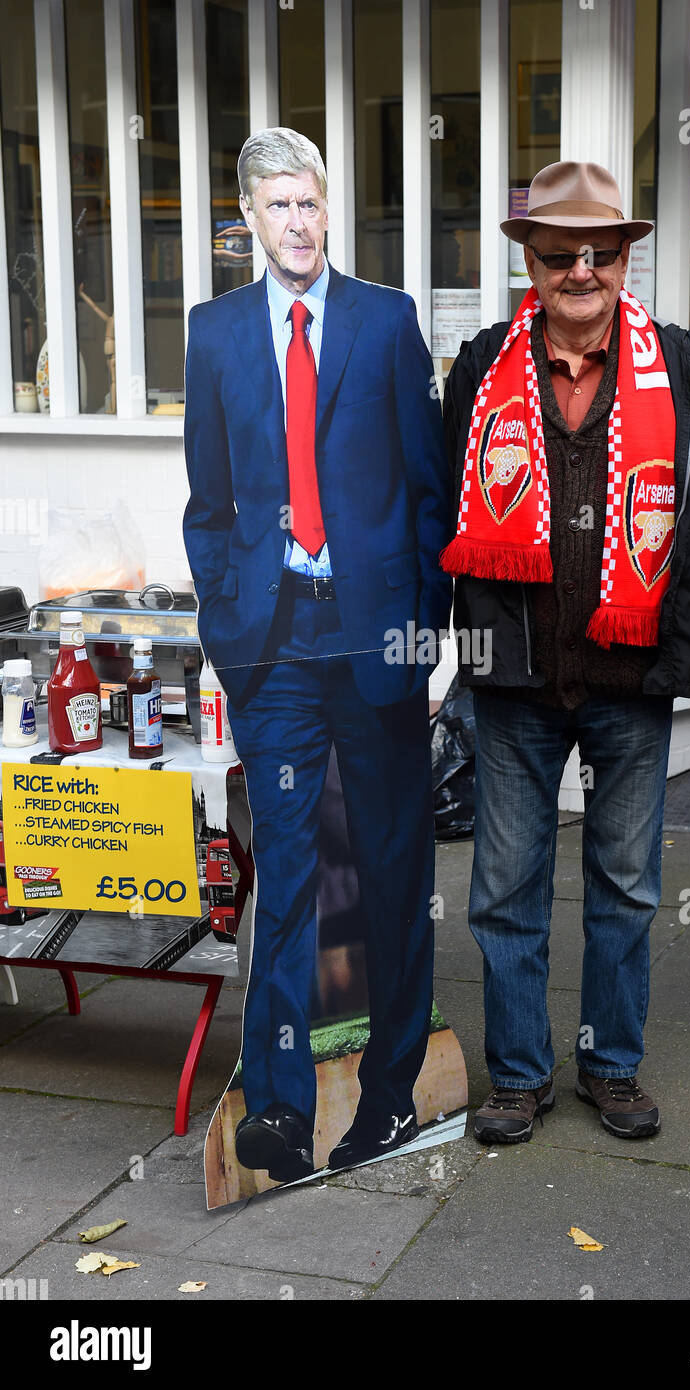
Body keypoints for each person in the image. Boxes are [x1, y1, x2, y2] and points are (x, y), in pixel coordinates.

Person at [441, 161, 690, 1144]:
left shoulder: (685, 368)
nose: (579, 269)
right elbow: (446, 503)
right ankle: (517, 1074)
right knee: (504, 888)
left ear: (621, 256)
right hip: (514, 681)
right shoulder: (478, 366)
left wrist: (642, 603)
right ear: (530, 258)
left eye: (597, 251)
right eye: (558, 251)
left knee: (624, 887)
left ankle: (610, 1067)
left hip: (627, 677)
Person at [183, 128, 452, 1182]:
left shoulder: (386, 322)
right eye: (276, 207)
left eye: (310, 204)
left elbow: (427, 498)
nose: (296, 224)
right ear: (247, 218)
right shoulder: (214, 336)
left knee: (390, 870)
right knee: (286, 873)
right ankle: (282, 1111)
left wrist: (421, 636)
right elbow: (209, 502)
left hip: (373, 638)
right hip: (273, 649)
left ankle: (387, 1099)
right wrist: (225, 627)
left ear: (329, 212)